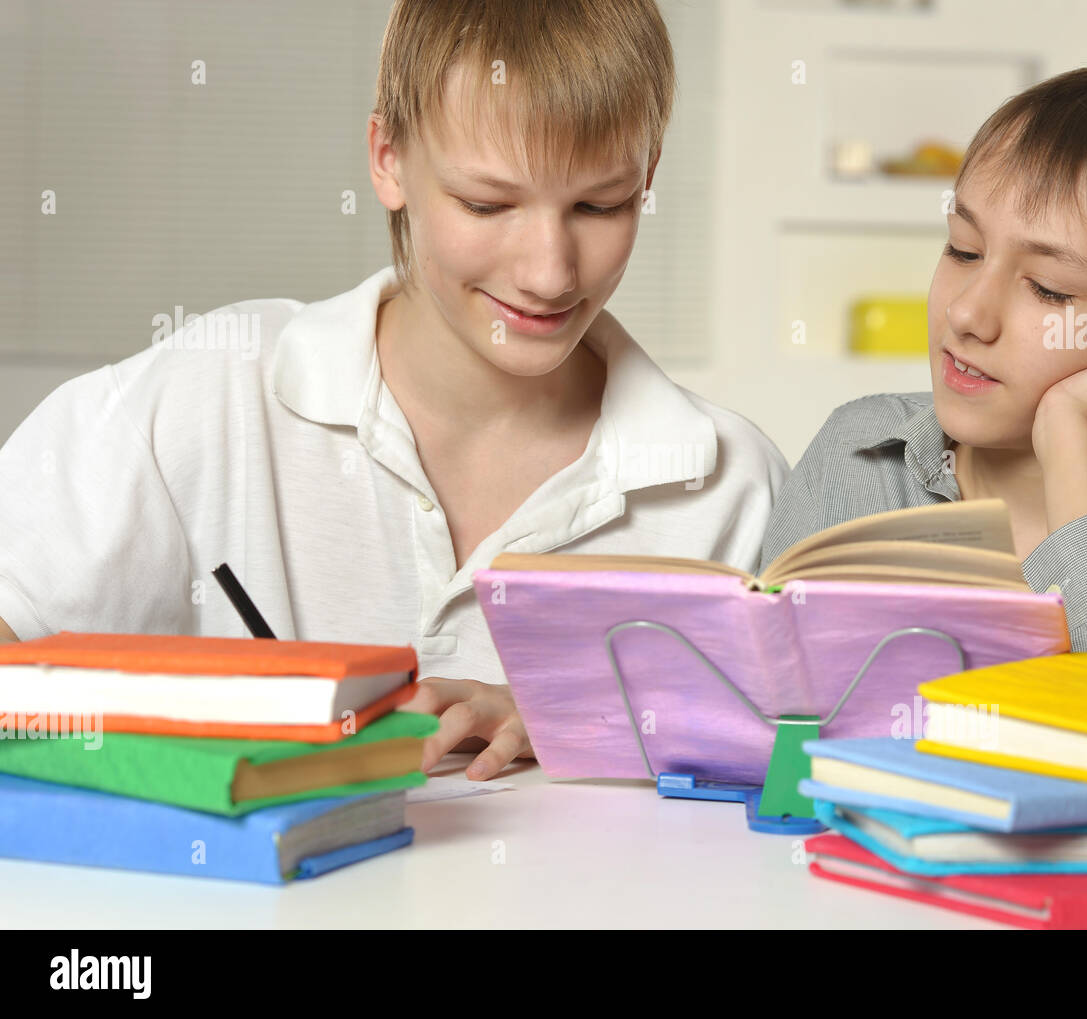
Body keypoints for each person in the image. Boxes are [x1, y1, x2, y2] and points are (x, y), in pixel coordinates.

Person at [0, 0, 788, 780]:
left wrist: (590, 721)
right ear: (388, 159)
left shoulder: (731, 488)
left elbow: (806, 773)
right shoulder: (206, 395)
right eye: (488, 203)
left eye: (600, 204)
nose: (550, 272)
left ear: (647, 178)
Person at [761, 65, 1087, 685]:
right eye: (963, 249)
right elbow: (765, 707)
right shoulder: (857, 453)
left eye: (1048, 290)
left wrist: (1071, 448)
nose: (966, 314)